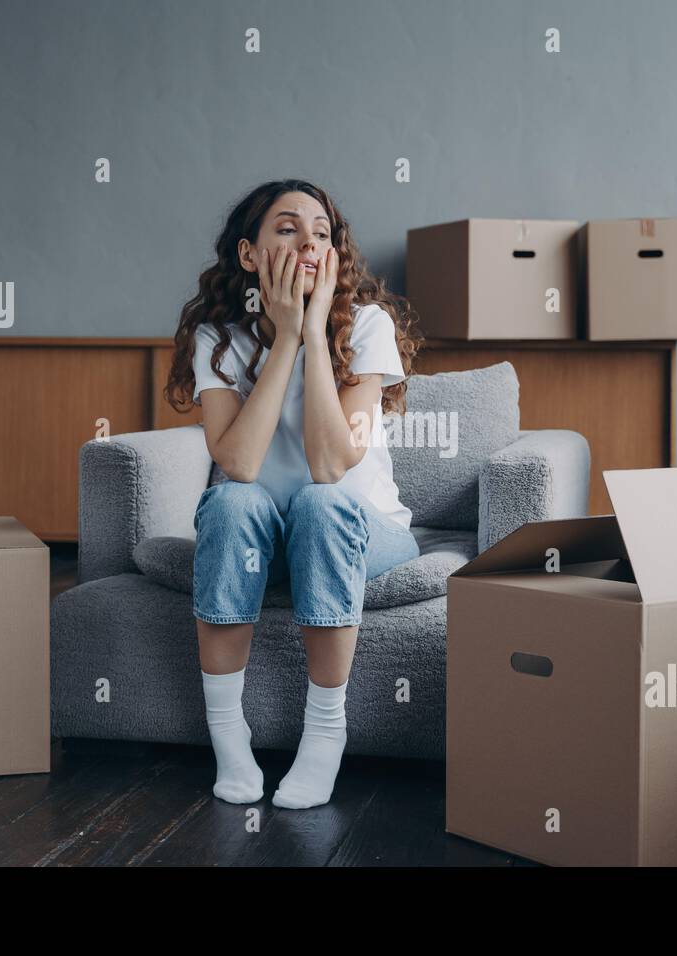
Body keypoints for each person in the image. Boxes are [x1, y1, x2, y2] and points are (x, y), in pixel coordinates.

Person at [164, 179, 424, 809]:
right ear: (250, 255)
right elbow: (240, 463)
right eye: (287, 227)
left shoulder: (366, 326)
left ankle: (325, 735)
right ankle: (229, 737)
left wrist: (313, 331)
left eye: (322, 231)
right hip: (262, 534)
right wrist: (283, 338)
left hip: (358, 531)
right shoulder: (218, 337)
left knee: (320, 501)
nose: (308, 240)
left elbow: (331, 463)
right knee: (230, 501)